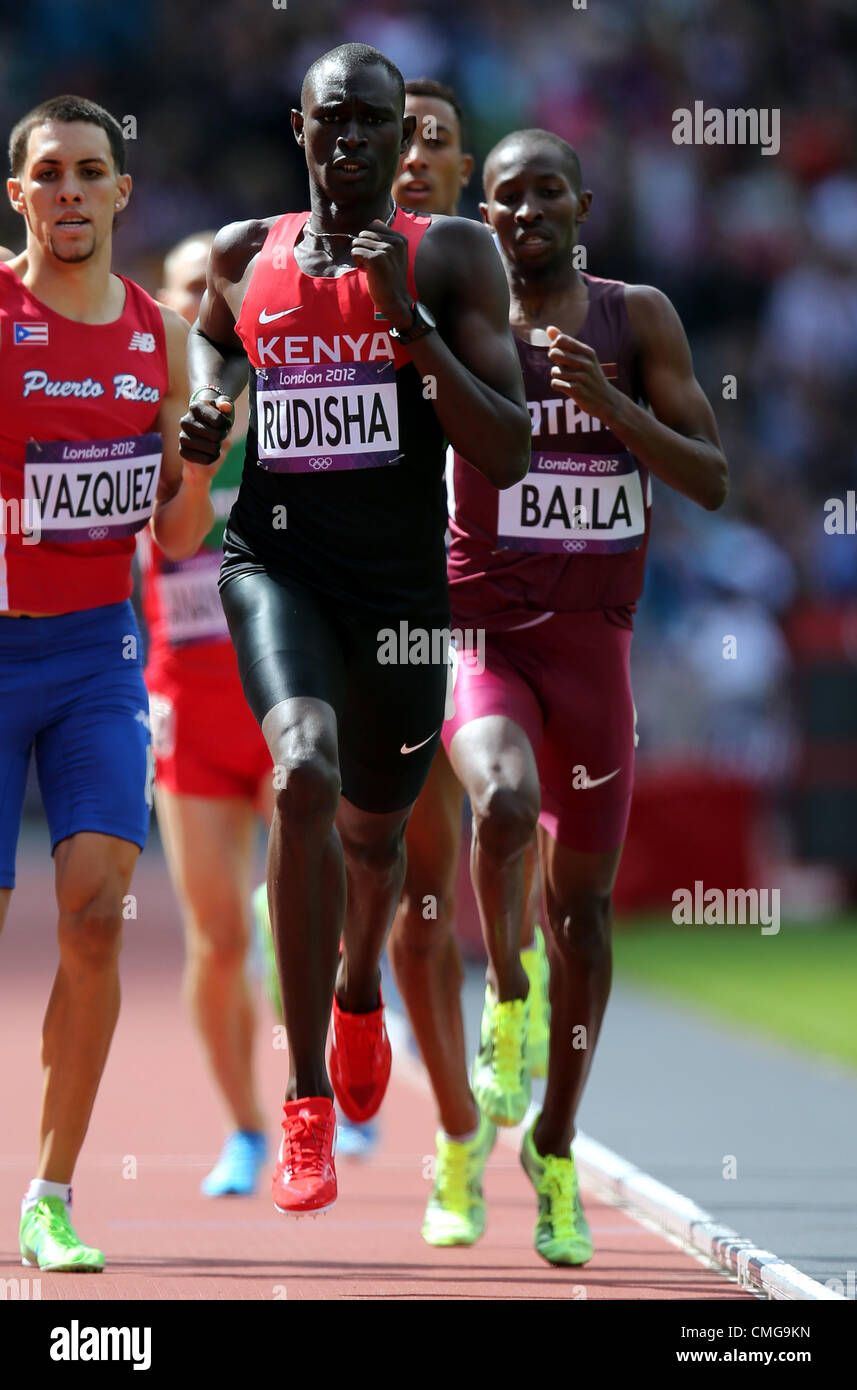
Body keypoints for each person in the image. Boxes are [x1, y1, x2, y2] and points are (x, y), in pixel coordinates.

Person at [179, 42, 530, 1217]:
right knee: (304, 773)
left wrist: (408, 325)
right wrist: (210, 397)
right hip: (275, 564)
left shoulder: (456, 255)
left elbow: (509, 447)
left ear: (404, 139)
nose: (353, 140)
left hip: (403, 602)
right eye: (332, 119)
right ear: (300, 126)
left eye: (376, 123)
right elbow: (216, 331)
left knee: (377, 844)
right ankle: (307, 1101)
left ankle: (360, 989)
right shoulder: (248, 251)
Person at [403, 127, 729, 1264]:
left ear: (583, 203)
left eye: (547, 191)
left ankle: (554, 1145)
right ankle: (507, 1000)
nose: (526, 210)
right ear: (480, 217)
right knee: (499, 800)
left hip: (598, 655)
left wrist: (615, 409)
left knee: (586, 916)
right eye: (504, 197)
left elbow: (714, 477)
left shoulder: (636, 318)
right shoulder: (453, 314)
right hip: (486, 635)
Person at [0, 95, 201, 1270]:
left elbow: (177, 537)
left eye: (91, 171)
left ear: (123, 192)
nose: (69, 191)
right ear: (19, 195)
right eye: (47, 175)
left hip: (94, 655)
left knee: (93, 915)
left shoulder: (160, 336)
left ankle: (50, 1190)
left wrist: (193, 456)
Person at [389, 80, 551, 1248]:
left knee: (507, 822)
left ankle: (519, 992)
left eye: (431, 143)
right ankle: (456, 1136)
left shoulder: (500, 299)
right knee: (417, 900)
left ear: (464, 177)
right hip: (390, 624)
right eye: (389, 140)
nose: (405, 158)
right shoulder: (323, 284)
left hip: (489, 623)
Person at [138, 231, 273, 1196]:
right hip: (188, 706)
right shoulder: (137, 414)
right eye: (183, 291)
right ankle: (243, 1128)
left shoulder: (281, 415)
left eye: (213, 291)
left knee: (334, 914)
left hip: (285, 694)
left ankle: (329, 1065)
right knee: (219, 940)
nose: (199, 308)